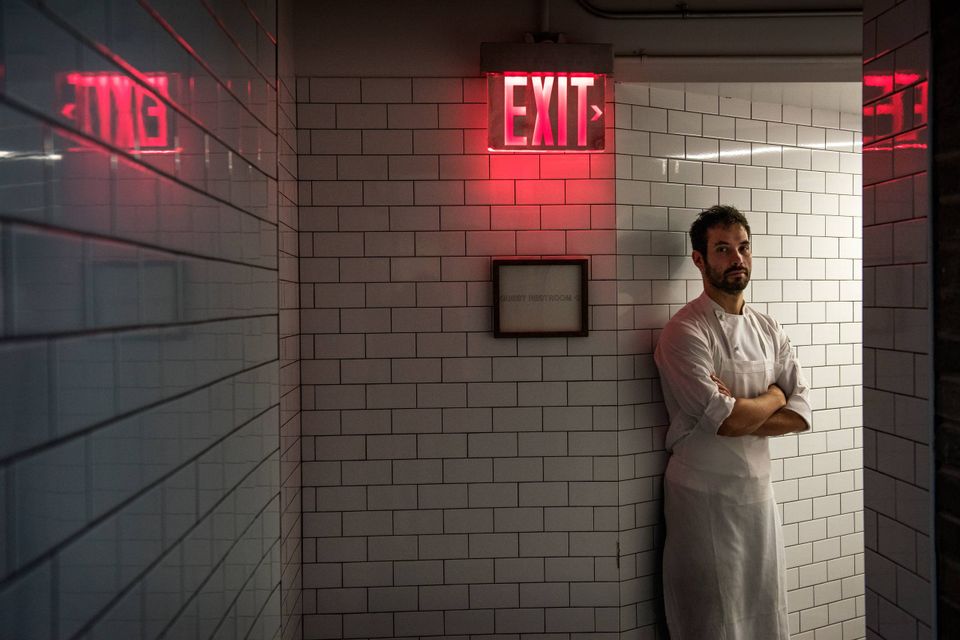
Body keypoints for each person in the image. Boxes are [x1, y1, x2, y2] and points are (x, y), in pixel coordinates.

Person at [654, 204, 812, 639]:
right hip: (702, 496)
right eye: (722, 249)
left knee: (764, 609)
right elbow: (723, 423)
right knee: (711, 618)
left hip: (759, 494)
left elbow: (799, 415)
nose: (737, 259)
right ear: (699, 260)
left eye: (742, 247)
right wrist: (775, 395)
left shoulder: (769, 328)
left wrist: (753, 406)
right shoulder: (685, 331)